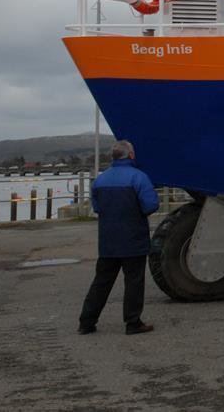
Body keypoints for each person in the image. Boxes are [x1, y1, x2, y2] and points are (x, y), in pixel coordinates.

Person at [78, 140, 159, 335]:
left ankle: (86, 322)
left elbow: (97, 208)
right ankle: (133, 322)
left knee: (102, 281)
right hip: (133, 239)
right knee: (133, 282)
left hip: (108, 241)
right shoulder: (138, 177)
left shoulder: (99, 180)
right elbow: (150, 206)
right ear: (131, 155)